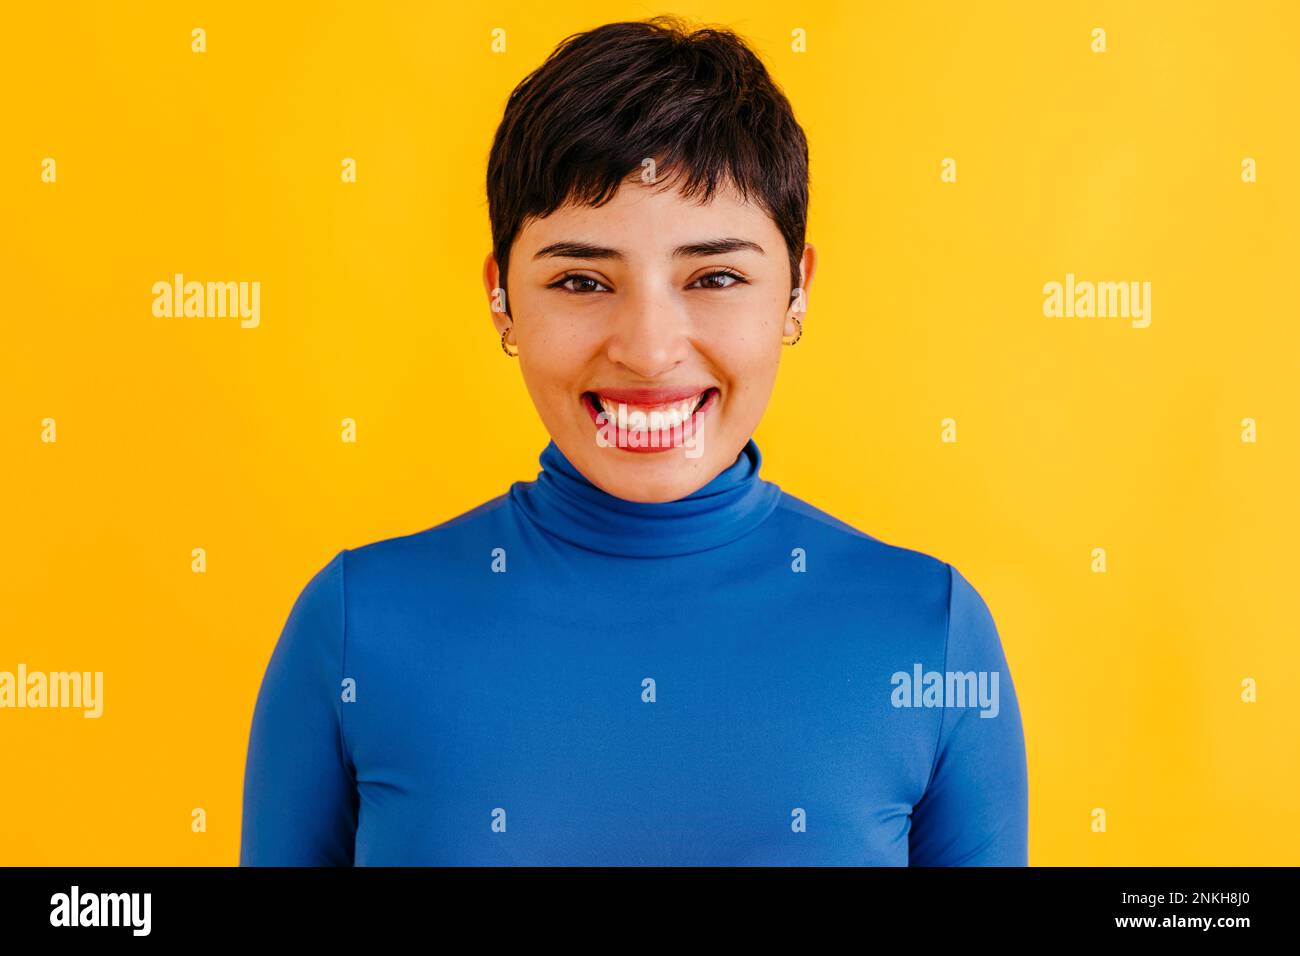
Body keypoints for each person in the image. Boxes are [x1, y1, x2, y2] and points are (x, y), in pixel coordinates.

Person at [239, 15, 1028, 866]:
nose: (649, 349)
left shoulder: (930, 632)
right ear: (501, 296)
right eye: (581, 280)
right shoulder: (355, 626)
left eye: (716, 276)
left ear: (797, 290)